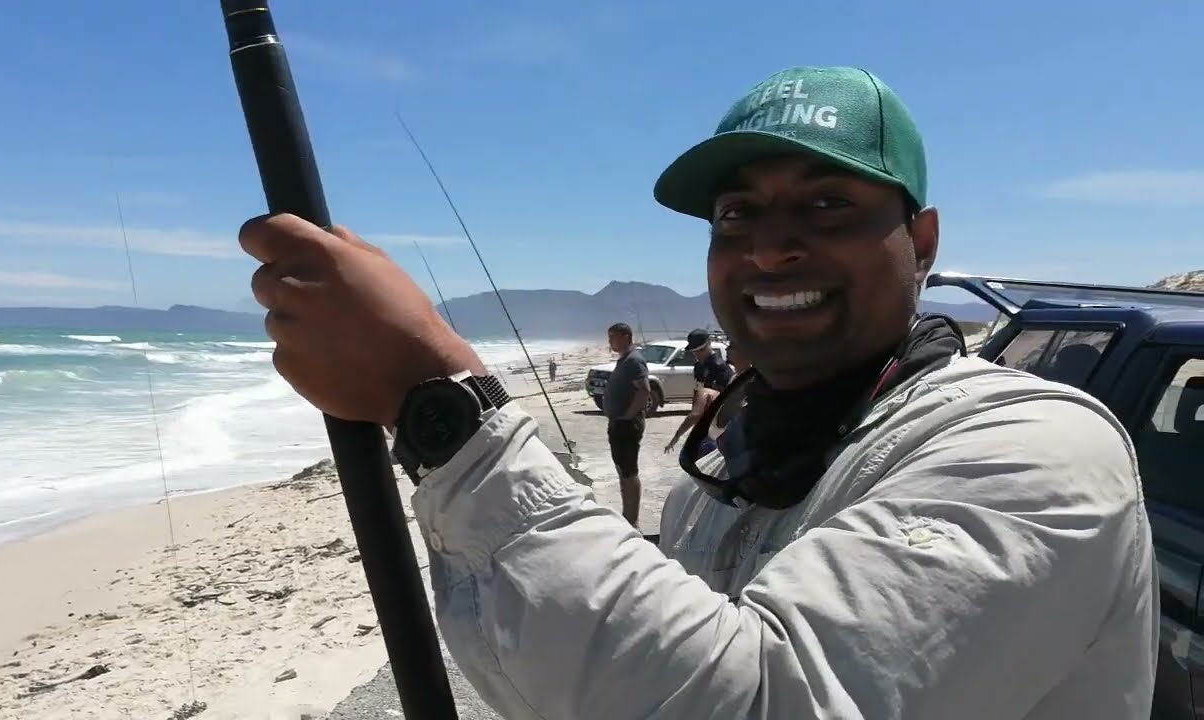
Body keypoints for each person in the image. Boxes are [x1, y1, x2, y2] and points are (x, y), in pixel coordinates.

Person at [241, 64, 1157, 718]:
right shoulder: (731, 456)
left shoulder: (1037, 451)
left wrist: (436, 401)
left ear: (921, 242)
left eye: (827, 204)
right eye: (737, 215)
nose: (768, 248)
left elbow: (760, 699)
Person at [664, 343, 752, 458]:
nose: (727, 349)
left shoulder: (750, 378)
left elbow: (697, 412)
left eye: (731, 346)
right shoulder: (734, 376)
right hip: (720, 434)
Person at [600, 322, 649, 527]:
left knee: (629, 471)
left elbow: (644, 390)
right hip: (618, 423)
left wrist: (628, 415)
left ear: (626, 336)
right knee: (622, 469)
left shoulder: (634, 360)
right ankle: (626, 513)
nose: (610, 341)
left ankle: (633, 519)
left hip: (626, 425)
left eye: (613, 336)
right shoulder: (625, 360)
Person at [685, 327, 734, 392]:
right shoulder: (698, 366)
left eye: (701, 350)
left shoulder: (720, 367)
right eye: (694, 351)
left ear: (709, 344)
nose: (698, 354)